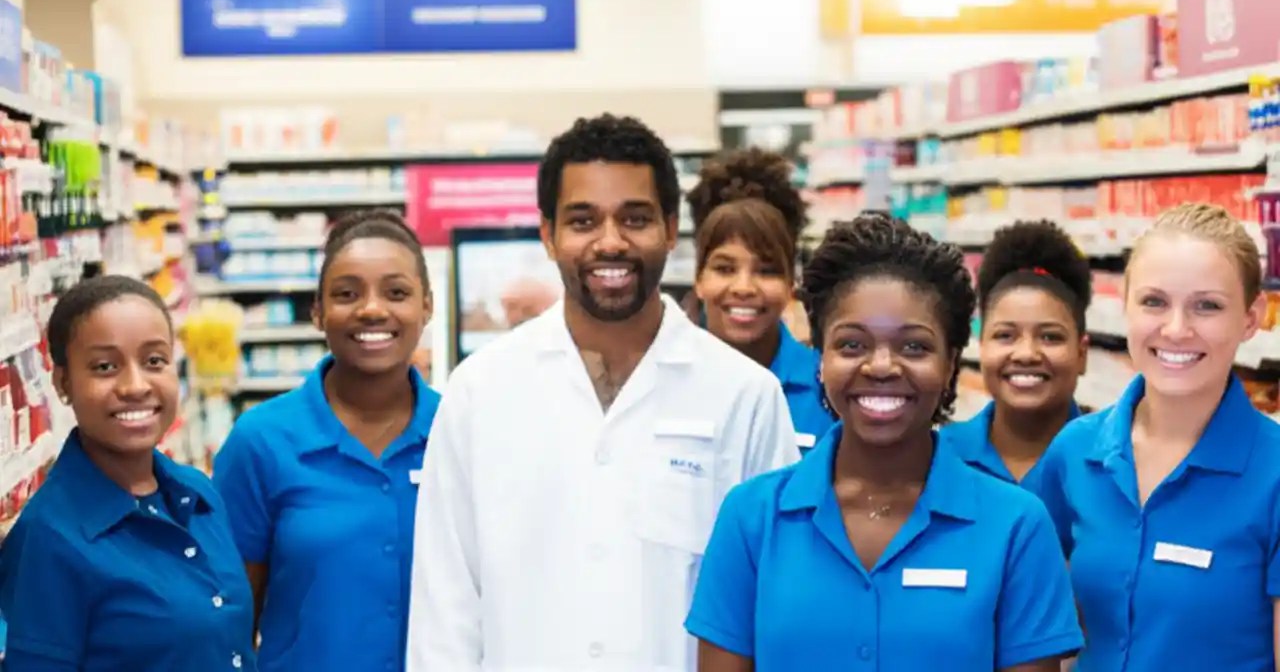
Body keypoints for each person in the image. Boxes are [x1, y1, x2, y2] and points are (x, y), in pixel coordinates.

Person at [406, 113, 800, 672]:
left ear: (669, 228)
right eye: (583, 221)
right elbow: (444, 609)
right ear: (548, 235)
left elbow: (773, 600)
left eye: (634, 219)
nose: (609, 242)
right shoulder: (481, 391)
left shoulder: (743, 397)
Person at [685, 213, 1083, 672]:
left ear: (951, 362)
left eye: (914, 347)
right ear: (820, 356)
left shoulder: (1016, 526)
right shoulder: (752, 517)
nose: (880, 366)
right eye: (852, 345)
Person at [1027, 202, 1280, 671]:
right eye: (1154, 302)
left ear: (1251, 318)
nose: (1177, 329)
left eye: (1207, 305)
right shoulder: (1076, 452)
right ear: (1124, 307)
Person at [213, 210, 441, 672]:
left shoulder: (459, 431)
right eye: (346, 293)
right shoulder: (262, 442)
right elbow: (232, 622)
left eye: (396, 292)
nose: (372, 308)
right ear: (317, 310)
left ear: (427, 306)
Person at [0, 275, 257, 671]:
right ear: (63, 383)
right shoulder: (48, 538)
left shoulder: (199, 495)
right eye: (105, 366)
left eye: (155, 360)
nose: (136, 386)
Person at [687, 147, 836, 451]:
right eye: (724, 268)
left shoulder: (830, 387)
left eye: (767, 271)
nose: (744, 287)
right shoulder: (661, 383)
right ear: (698, 278)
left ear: (791, 282)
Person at [940, 220, 1090, 486]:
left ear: (1082, 353)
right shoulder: (939, 459)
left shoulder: (1113, 463)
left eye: (1050, 337)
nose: (1026, 354)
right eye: (1005, 336)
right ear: (982, 345)